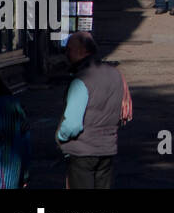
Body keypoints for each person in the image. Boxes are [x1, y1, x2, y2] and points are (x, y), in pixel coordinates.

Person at [56, 33, 131, 189]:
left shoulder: (81, 80)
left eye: (69, 49)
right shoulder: (115, 75)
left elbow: (72, 125)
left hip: (83, 151)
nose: (66, 54)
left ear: (81, 50)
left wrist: (60, 136)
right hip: (107, 149)